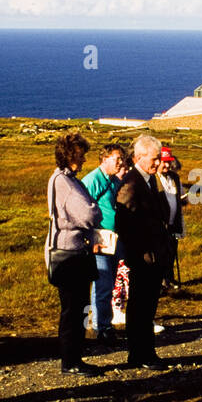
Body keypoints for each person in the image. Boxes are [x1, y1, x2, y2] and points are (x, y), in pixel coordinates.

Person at [115, 134, 172, 370]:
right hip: (143, 257)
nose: (159, 163)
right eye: (155, 158)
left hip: (153, 254)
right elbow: (124, 220)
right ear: (139, 157)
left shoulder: (147, 180)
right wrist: (140, 252)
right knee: (140, 305)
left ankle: (145, 352)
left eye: (159, 158)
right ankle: (140, 354)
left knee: (147, 305)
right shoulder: (131, 182)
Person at [48, 133, 103, 376]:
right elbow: (90, 214)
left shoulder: (65, 179)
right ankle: (71, 360)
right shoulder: (65, 182)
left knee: (79, 307)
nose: (83, 160)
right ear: (70, 155)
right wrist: (94, 209)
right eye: (80, 155)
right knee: (74, 309)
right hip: (70, 253)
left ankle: (75, 357)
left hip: (74, 251)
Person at [82, 143, 127, 343]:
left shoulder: (111, 180)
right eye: (116, 158)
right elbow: (82, 209)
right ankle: (103, 327)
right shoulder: (93, 179)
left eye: (121, 159)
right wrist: (88, 237)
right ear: (104, 159)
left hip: (113, 238)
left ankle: (99, 324)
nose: (120, 162)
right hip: (99, 239)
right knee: (103, 282)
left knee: (107, 281)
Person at [156, 147, 186, 292]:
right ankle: (160, 281)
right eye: (164, 162)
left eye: (169, 162)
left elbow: (180, 193)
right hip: (159, 224)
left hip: (174, 222)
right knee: (160, 253)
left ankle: (169, 278)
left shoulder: (174, 177)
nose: (167, 166)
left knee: (171, 251)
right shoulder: (153, 178)